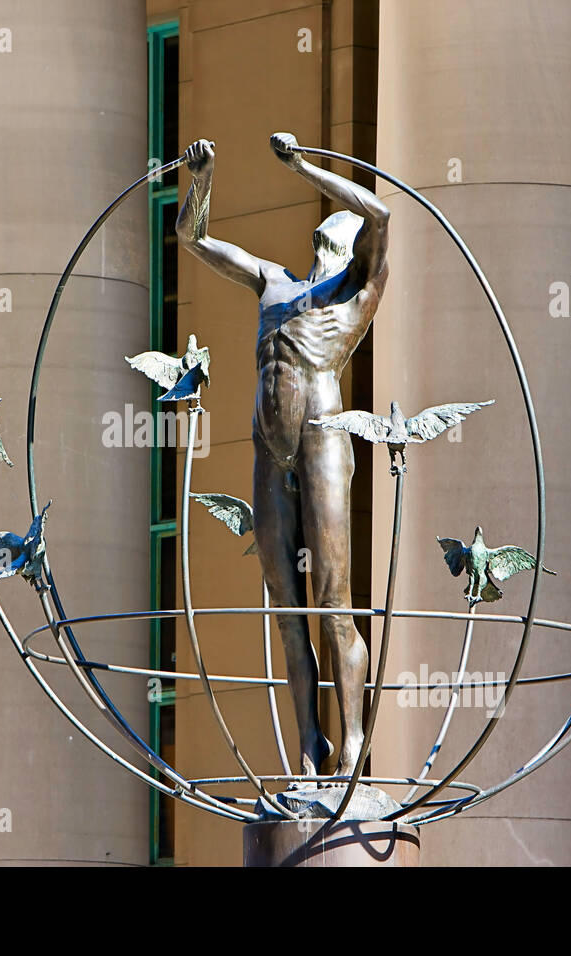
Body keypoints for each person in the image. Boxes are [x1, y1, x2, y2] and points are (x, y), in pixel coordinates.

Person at [175, 133, 390, 781]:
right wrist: (204, 178)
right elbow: (193, 239)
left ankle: (353, 741)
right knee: (287, 607)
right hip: (269, 447)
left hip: (324, 439)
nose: (323, 243)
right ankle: (308, 746)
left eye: (334, 236)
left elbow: (381, 216)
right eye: (320, 237)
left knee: (331, 600)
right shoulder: (275, 284)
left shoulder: (354, 291)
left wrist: (301, 166)